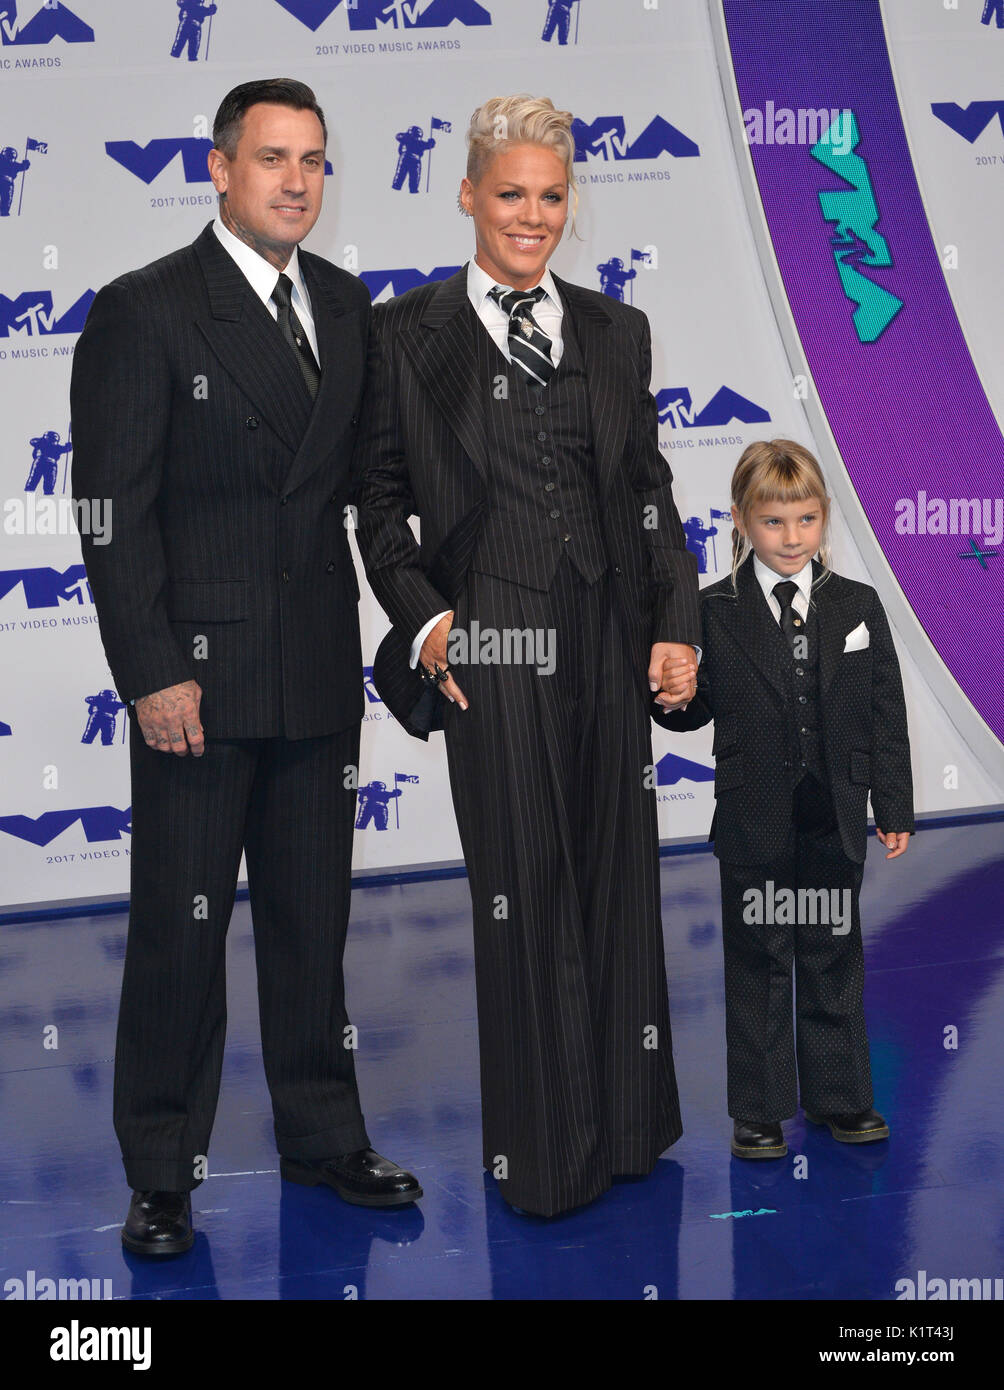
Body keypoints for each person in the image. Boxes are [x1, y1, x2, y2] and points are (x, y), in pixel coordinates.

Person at [70, 77, 420, 1258]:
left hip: (317, 670)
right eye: (273, 158)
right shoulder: (147, 308)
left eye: (314, 161)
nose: (296, 181)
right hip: (198, 686)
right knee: (181, 933)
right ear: (218, 168)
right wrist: (151, 670)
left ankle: (324, 1138)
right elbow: (112, 512)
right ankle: (163, 1173)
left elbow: (368, 490)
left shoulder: (344, 301)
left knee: (313, 927)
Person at [353, 94, 701, 1218]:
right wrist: (425, 619)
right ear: (466, 194)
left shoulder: (615, 329)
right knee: (524, 891)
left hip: (605, 628)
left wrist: (676, 619)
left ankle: (631, 1128)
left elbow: (645, 493)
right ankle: (545, 1158)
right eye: (510, 193)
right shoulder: (404, 335)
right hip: (490, 637)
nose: (532, 215)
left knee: (615, 878)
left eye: (551, 196)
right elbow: (383, 509)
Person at [664, 440, 914, 1159]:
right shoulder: (711, 610)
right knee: (758, 960)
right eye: (774, 523)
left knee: (834, 951)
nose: (792, 537)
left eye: (805, 519)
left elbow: (884, 713)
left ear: (824, 518)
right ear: (740, 521)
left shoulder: (857, 605)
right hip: (753, 816)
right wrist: (673, 693)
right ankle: (760, 1110)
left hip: (832, 813)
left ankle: (841, 1097)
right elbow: (690, 709)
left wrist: (891, 806)